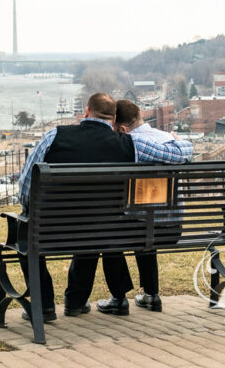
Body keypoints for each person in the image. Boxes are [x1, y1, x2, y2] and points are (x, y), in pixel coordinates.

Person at [17, 92, 192, 321]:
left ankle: (45, 305)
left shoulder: (54, 136)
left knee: (24, 231)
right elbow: (178, 154)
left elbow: (26, 186)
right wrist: (180, 141)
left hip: (51, 232)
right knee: (94, 228)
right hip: (105, 231)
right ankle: (75, 301)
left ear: (86, 112)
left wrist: (31, 210)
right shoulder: (131, 143)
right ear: (113, 118)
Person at [96, 98, 193, 316]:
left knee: (110, 231)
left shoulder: (127, 143)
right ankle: (151, 294)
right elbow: (184, 150)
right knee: (145, 219)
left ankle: (118, 298)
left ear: (121, 127)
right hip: (172, 230)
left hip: (140, 230)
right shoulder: (168, 139)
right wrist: (183, 142)